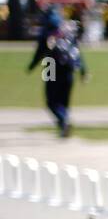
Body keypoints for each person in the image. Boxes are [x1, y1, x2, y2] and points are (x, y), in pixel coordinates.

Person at [26, 9, 87, 138]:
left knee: (50, 100)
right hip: (69, 68)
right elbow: (77, 53)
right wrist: (83, 71)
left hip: (50, 66)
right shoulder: (68, 33)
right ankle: (63, 121)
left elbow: (39, 54)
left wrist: (31, 67)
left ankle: (62, 121)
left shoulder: (46, 34)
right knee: (64, 100)